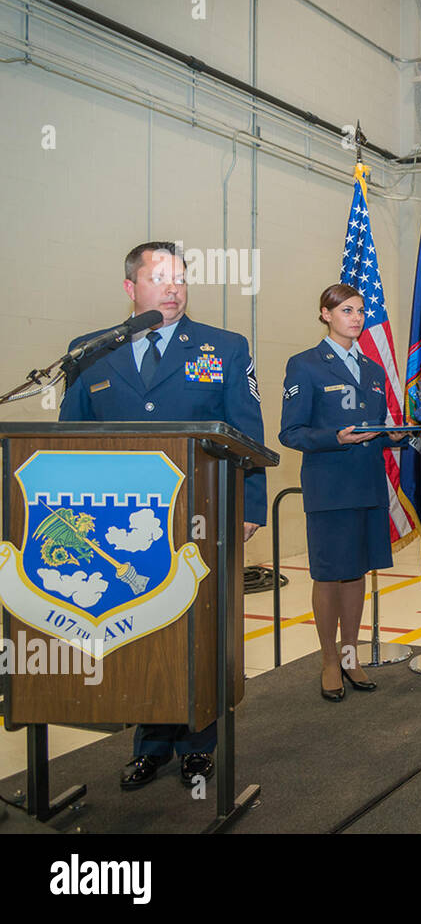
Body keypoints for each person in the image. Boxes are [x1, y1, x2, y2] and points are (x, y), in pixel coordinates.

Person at [59, 240, 266, 790]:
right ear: (131, 288)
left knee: (198, 629)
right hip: (115, 528)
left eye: (180, 277)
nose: (173, 287)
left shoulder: (224, 347)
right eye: (159, 277)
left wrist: (248, 503)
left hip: (199, 517)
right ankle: (150, 744)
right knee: (142, 629)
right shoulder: (90, 351)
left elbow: (248, 432)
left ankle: (200, 744)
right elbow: (68, 441)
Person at [280, 284, 407, 702]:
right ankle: (329, 660)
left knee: (357, 573)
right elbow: (292, 433)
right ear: (325, 314)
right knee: (329, 575)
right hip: (330, 487)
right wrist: (336, 437)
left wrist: (398, 436)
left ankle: (351, 655)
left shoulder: (372, 369)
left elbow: (377, 428)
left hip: (368, 484)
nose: (356, 318)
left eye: (360, 311)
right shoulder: (305, 365)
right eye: (346, 310)